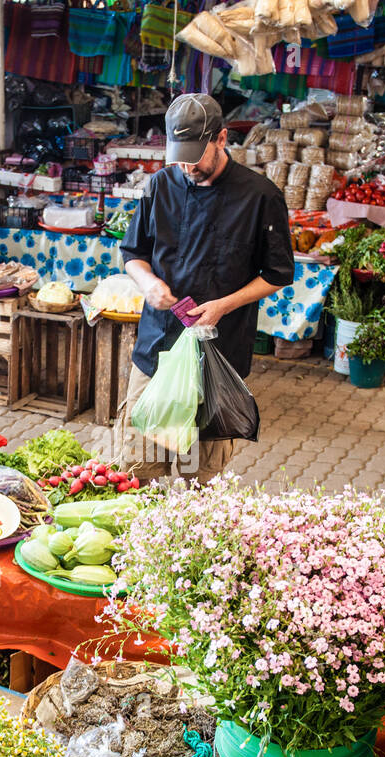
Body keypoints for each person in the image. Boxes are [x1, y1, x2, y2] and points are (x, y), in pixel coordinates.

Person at [115, 93, 293, 484]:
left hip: (218, 353)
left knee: (202, 476)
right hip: (157, 350)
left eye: (195, 154)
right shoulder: (160, 185)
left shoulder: (260, 197)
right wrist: (148, 282)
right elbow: (132, 252)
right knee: (137, 468)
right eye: (179, 155)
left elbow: (278, 273)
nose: (186, 165)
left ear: (222, 138)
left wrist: (225, 305)